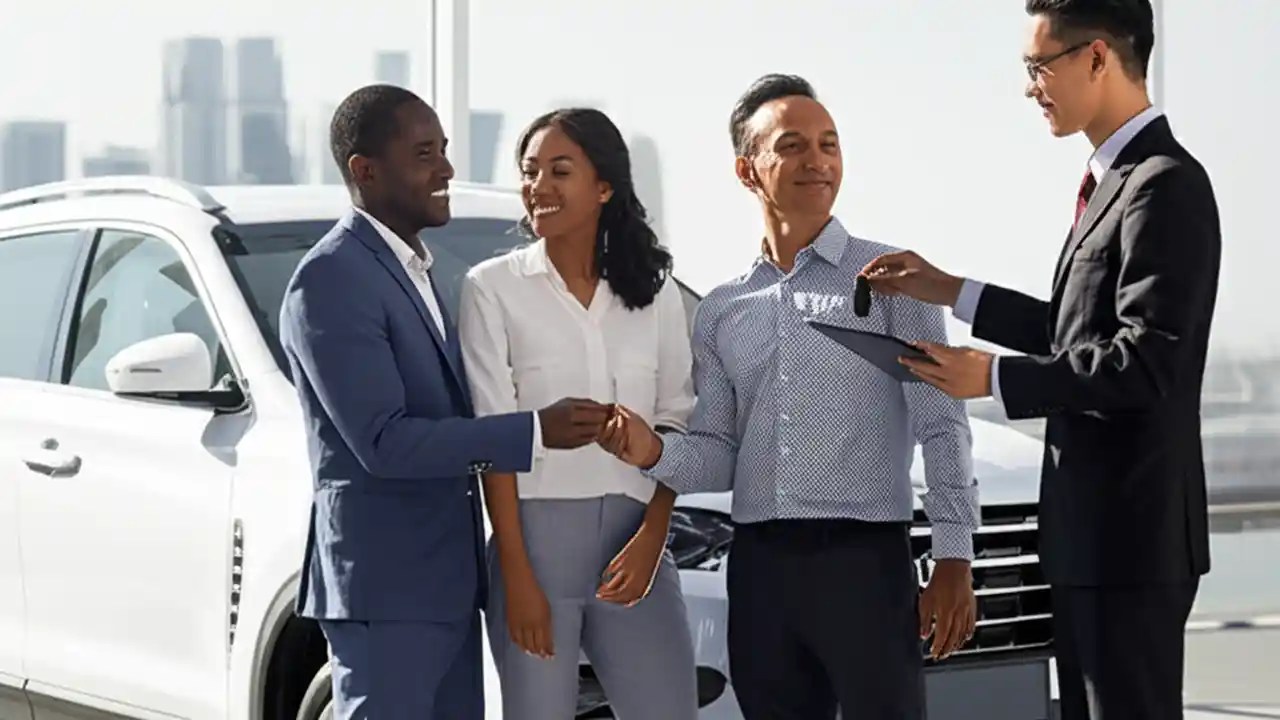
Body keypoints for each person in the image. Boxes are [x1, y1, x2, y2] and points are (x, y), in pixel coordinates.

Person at [859, 2, 1221, 718]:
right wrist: (948, 289)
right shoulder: (1113, 184)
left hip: (1131, 542)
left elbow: (1147, 365)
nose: (1030, 86)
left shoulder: (1163, 184)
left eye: (1039, 65)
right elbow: (1076, 329)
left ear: (1095, 57)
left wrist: (990, 378)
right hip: (1092, 540)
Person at [598, 74, 980, 720]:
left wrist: (953, 554)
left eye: (829, 144)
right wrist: (651, 450)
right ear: (749, 170)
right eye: (795, 145)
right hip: (762, 573)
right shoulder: (722, 310)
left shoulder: (896, 280)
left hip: (867, 564)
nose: (819, 161)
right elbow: (718, 453)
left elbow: (944, 427)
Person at [277, 85, 611, 720]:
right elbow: (385, 442)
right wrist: (534, 431)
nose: (447, 169)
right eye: (425, 153)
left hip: (450, 588)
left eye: (445, 150)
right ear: (366, 171)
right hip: (388, 591)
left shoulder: (420, 272)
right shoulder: (331, 280)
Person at [457, 107, 699, 720]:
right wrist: (517, 578)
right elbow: (491, 438)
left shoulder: (657, 293)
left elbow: (678, 421)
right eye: (530, 171)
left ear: (604, 186)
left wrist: (653, 537)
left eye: (559, 170)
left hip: (634, 547)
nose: (539, 186)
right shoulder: (491, 289)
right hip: (531, 544)